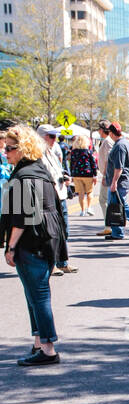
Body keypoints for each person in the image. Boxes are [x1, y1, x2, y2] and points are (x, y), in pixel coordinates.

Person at [0, 125, 65, 366]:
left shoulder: (24, 175)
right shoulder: (40, 170)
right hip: (49, 238)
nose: (5, 152)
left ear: (22, 148)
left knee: (38, 295)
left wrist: (11, 247)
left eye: (10, 148)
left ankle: (48, 348)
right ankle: (39, 343)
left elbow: (21, 217)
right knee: (34, 294)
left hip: (32, 241)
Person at [37, 125, 77, 274]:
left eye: (54, 136)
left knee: (63, 231)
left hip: (60, 195)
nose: (54, 139)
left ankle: (62, 262)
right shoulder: (37, 154)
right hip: (48, 197)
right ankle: (51, 264)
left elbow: (58, 170)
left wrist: (65, 177)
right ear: (42, 136)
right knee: (51, 233)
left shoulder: (51, 151)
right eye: (51, 136)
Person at [104, 123, 129, 240]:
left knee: (119, 206)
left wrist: (114, 182)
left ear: (112, 133)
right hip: (123, 180)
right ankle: (120, 230)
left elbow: (119, 167)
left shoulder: (120, 146)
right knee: (119, 205)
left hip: (120, 181)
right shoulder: (126, 143)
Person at [68, 134, 98, 215]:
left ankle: (82, 210)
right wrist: (95, 175)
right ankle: (89, 208)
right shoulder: (88, 151)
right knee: (89, 192)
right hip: (88, 173)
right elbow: (93, 164)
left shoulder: (73, 152)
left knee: (80, 193)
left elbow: (71, 164)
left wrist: (71, 175)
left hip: (77, 174)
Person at [95, 120, 114, 234]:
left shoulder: (107, 142)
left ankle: (109, 226)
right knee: (106, 200)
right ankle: (110, 225)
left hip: (107, 175)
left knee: (103, 200)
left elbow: (108, 159)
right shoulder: (107, 141)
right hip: (107, 174)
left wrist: (105, 175)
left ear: (102, 130)